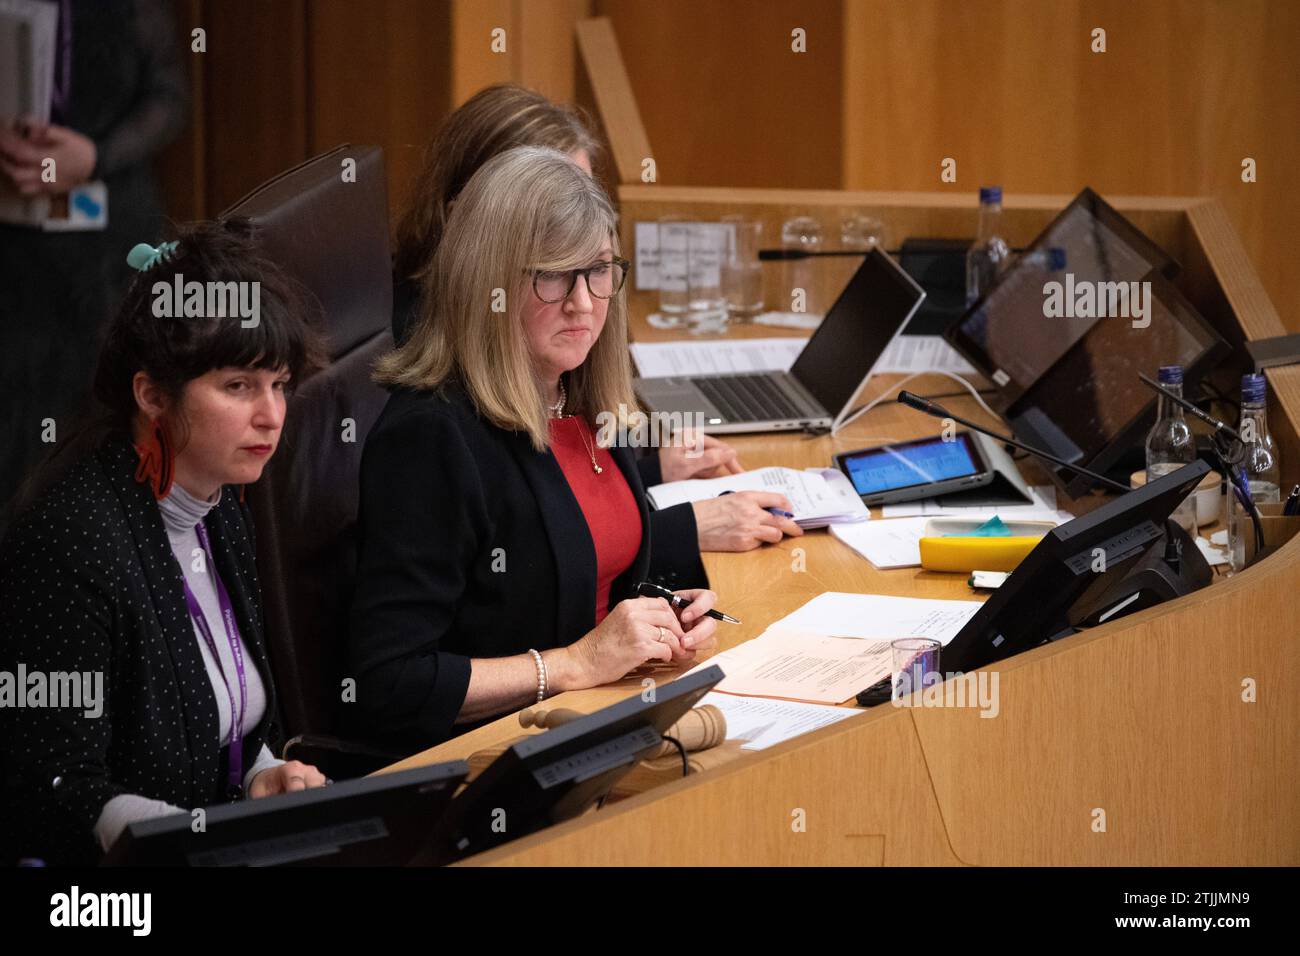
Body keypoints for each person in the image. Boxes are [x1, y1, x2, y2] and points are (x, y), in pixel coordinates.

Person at [350, 147, 733, 754]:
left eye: (600, 270)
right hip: (501, 760)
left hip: (605, 718)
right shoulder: (431, 439)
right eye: (553, 274)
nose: (584, 302)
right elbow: (388, 683)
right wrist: (574, 664)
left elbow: (576, 573)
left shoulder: (576, 394)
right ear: (489, 284)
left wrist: (660, 612)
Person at [0, 220, 327, 866]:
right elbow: (57, 788)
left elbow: (230, 720)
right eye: (238, 386)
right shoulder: (74, 543)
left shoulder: (220, 498)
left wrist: (263, 773)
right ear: (151, 394)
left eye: (279, 384)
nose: (272, 415)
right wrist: (210, 840)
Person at [391, 83, 803, 564]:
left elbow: (554, 507)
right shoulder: (440, 411)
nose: (583, 301)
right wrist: (676, 530)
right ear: (484, 216)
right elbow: (526, 546)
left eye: (597, 264)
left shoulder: (566, 365)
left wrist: (649, 473)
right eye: (552, 264)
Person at [0, 0, 190, 537]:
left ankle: (104, 568)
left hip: (112, 239)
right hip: (16, 256)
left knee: (110, 413)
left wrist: (93, 157)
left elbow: (171, 100)